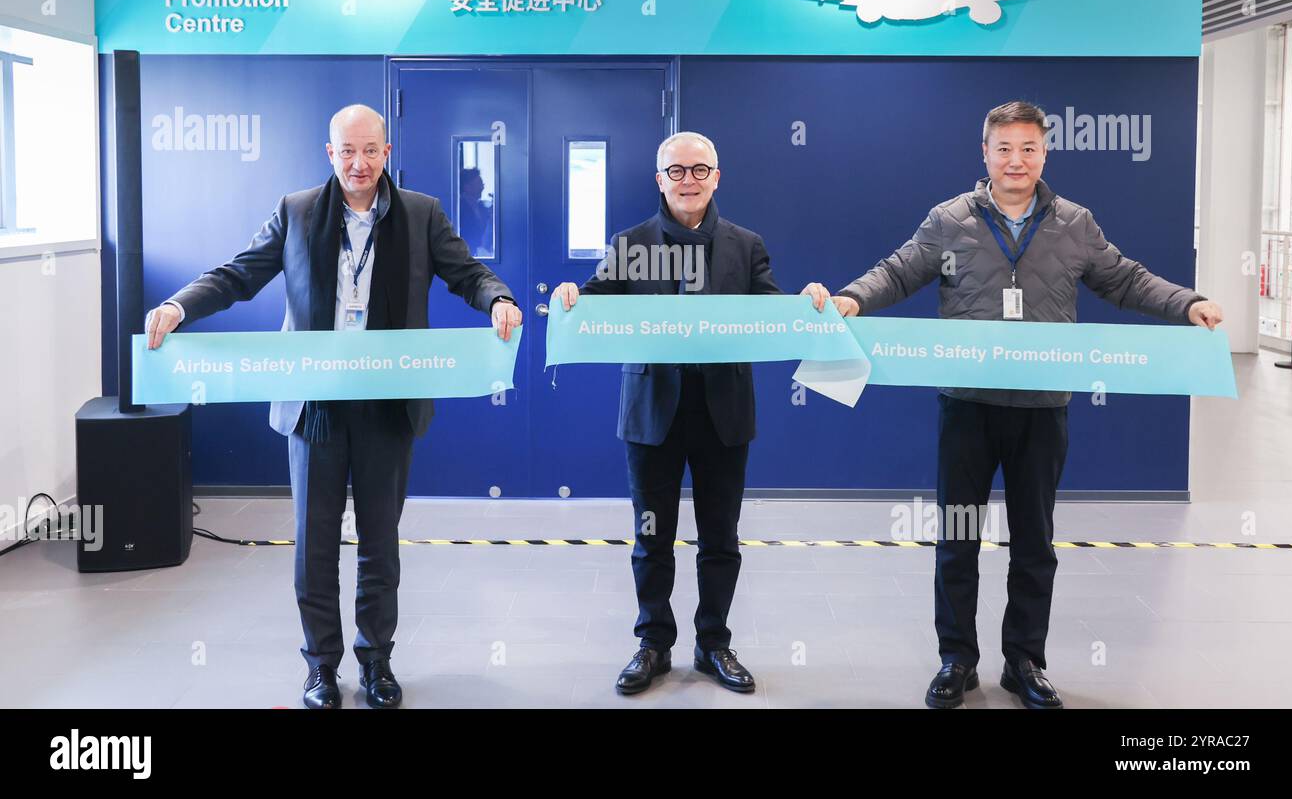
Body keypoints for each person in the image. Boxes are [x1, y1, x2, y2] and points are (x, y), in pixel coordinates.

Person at [802, 100, 1224, 710]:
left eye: (1028, 148)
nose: (1016, 160)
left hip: (1041, 406)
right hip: (967, 405)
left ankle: (1024, 661)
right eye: (1004, 148)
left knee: (1034, 542)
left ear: (1044, 153)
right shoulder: (950, 220)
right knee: (958, 536)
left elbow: (1126, 279)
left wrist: (1188, 303)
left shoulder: (1074, 223)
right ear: (985, 154)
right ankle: (956, 659)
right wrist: (853, 298)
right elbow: (898, 270)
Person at [144, 104, 521, 709]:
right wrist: (181, 306)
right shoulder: (295, 212)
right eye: (347, 151)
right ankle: (321, 666)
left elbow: (467, 273)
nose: (359, 163)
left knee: (379, 540)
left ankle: (377, 663)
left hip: (385, 404)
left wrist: (498, 299)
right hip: (314, 406)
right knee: (314, 542)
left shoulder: (421, 214)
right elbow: (239, 274)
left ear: (387, 153)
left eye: (370, 151)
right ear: (330, 154)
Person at [555, 131, 813, 696]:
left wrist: (805, 304)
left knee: (721, 537)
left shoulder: (747, 246)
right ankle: (653, 643)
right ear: (659, 179)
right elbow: (597, 297)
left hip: (723, 412)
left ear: (717, 176)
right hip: (653, 413)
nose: (689, 180)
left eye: (700, 170)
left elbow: (772, 311)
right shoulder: (631, 243)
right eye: (677, 171)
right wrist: (574, 296)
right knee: (652, 537)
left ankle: (714, 643)